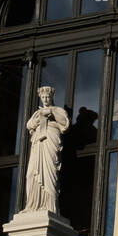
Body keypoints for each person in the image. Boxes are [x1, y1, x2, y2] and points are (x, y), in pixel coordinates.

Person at [22, 86, 69, 214]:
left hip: (50, 138)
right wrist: (38, 119)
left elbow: (65, 123)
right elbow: (29, 125)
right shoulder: (37, 112)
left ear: (52, 97)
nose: (45, 99)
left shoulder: (58, 110)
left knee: (49, 173)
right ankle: (32, 205)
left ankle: (50, 205)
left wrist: (52, 113)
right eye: (43, 97)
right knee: (31, 173)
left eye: (47, 97)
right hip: (38, 142)